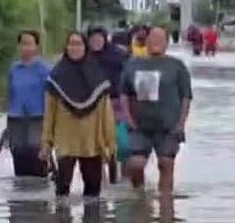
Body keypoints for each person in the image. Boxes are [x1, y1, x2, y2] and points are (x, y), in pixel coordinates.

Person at [41, 32, 117, 198]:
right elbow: (49, 113)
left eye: (79, 44)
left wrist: (110, 143)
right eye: (71, 44)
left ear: (85, 47)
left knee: (93, 193)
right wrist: (46, 143)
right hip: (66, 142)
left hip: (92, 142)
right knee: (62, 192)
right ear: (66, 48)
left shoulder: (98, 77)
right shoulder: (56, 78)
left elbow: (106, 114)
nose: (75, 48)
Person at [118, 26, 192, 195]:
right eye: (153, 38)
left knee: (166, 163)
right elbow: (124, 95)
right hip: (139, 126)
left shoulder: (177, 67)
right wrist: (128, 119)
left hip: (168, 126)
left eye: (161, 39)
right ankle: (140, 196)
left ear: (166, 43)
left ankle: (166, 205)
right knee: (135, 165)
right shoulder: (133, 65)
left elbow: (186, 97)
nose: (156, 42)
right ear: (147, 41)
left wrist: (181, 123)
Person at [5, 30, 52, 178]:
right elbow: (10, 94)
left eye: (29, 44)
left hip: (37, 118)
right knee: (18, 153)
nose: (25, 47)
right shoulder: (14, 69)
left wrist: (49, 123)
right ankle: (20, 195)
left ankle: (40, 194)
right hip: (15, 118)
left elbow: (49, 96)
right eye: (22, 43)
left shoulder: (44, 69)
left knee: (36, 153)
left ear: (36, 46)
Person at [88, 26, 131, 183]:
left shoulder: (119, 56)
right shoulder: (85, 58)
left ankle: (127, 182)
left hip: (118, 104)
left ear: (105, 39)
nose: (96, 42)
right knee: (98, 147)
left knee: (124, 145)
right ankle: (103, 186)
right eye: (92, 39)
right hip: (94, 106)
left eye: (99, 38)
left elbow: (130, 78)